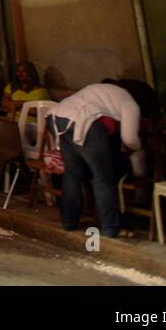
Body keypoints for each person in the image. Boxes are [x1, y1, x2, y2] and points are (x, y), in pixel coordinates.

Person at [48, 82, 143, 240]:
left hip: (57, 116)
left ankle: (69, 222)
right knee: (102, 178)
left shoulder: (101, 89)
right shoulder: (130, 103)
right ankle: (111, 228)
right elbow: (130, 138)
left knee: (72, 174)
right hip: (85, 122)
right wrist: (139, 147)